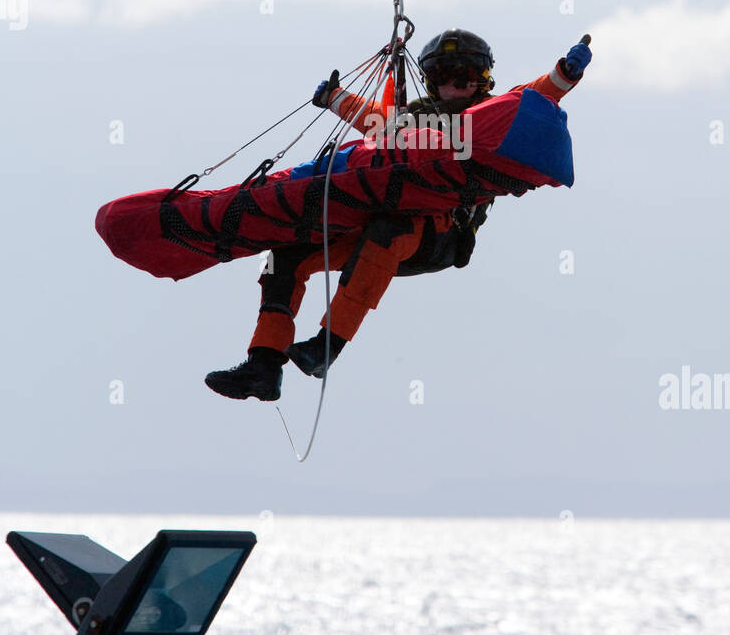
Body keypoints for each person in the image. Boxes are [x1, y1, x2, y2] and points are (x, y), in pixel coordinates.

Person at [204, 29, 591, 401]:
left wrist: (565, 75)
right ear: (429, 78)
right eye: (443, 74)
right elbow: (374, 119)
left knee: (389, 229)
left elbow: (535, 96)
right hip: (378, 228)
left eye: (466, 75)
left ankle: (327, 346)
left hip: (437, 238)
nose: (454, 84)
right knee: (285, 252)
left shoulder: (491, 119)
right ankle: (264, 365)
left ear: (483, 80)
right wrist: (334, 97)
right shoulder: (409, 120)